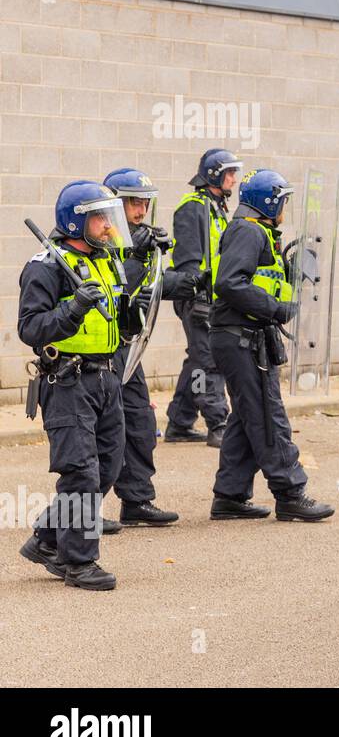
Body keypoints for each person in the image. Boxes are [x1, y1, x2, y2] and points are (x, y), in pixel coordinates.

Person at [18, 182, 134, 590]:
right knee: (80, 471)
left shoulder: (105, 260)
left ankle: (47, 538)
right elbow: (30, 327)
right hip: (66, 380)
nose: (108, 226)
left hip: (105, 377)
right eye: (100, 218)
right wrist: (73, 307)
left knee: (108, 465)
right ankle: (78, 561)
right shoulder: (46, 266)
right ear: (76, 221)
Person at [208, 169, 334, 523]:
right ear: (269, 202)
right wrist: (277, 310)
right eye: (283, 201)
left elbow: (258, 281)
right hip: (240, 337)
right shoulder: (249, 231)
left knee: (247, 416)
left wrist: (294, 271)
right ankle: (291, 493)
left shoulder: (258, 231)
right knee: (265, 413)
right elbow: (230, 284)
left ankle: (230, 496)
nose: (285, 208)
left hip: (245, 335)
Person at [102, 168, 198, 526]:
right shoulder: (96, 240)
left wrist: (189, 282)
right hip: (100, 352)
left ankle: (137, 501)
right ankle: (82, 515)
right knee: (102, 432)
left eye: (144, 203)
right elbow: (117, 285)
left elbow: (148, 284)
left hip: (129, 349)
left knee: (140, 422)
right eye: (133, 203)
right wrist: (135, 252)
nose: (140, 211)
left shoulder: (137, 240)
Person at [165, 147, 239, 448]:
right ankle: (218, 423)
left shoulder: (215, 206)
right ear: (214, 175)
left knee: (197, 359)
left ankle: (179, 423)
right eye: (230, 173)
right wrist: (197, 296)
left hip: (212, 297)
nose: (234, 179)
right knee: (209, 361)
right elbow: (188, 259)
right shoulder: (193, 207)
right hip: (198, 298)